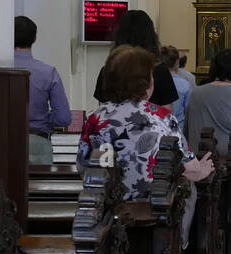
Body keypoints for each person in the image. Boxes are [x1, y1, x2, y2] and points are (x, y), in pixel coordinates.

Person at [77, 45, 213, 242]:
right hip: (153, 209)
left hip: (107, 212)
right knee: (188, 191)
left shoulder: (94, 118)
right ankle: (181, 244)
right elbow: (189, 167)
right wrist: (202, 170)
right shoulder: (161, 116)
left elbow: (83, 166)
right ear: (147, 84)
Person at [13, 15, 72, 164]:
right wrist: (43, 117)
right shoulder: (48, 72)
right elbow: (64, 118)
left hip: (2, 139)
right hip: (38, 142)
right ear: (35, 38)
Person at [93, 9, 178, 108]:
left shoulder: (109, 71)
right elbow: (167, 111)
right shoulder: (161, 71)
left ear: (119, 35)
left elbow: (103, 109)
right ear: (151, 36)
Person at [161, 45, 193, 126]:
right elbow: (189, 111)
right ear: (177, 62)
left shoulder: (153, 82)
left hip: (158, 125)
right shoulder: (185, 84)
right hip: (178, 126)